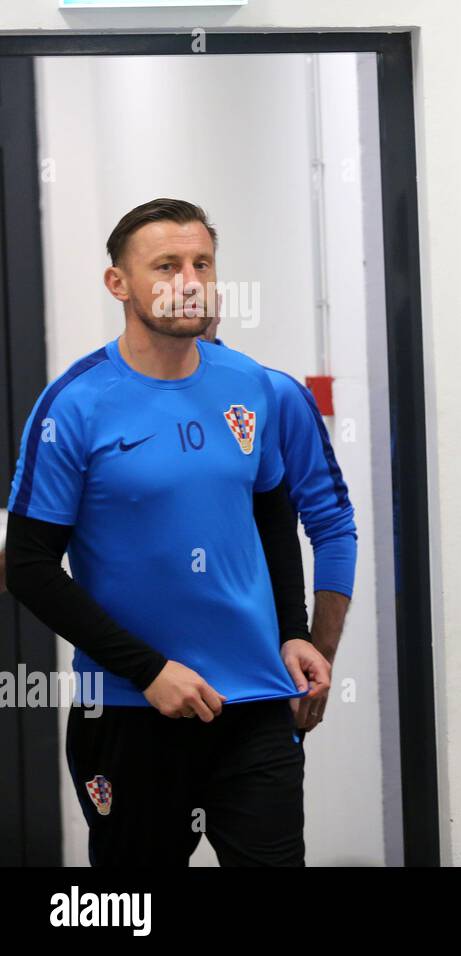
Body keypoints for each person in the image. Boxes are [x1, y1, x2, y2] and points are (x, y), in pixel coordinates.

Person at [5, 198, 330, 866]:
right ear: (118, 284)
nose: (189, 280)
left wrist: (294, 629)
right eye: (165, 265)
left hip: (255, 702)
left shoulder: (250, 385)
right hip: (129, 711)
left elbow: (272, 513)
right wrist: (148, 670)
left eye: (201, 263)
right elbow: (29, 564)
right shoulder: (74, 404)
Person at [199, 317, 357, 739]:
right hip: (144, 688)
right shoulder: (105, 399)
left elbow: (333, 525)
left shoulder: (274, 395)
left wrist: (316, 658)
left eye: (202, 268)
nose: (188, 287)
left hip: (261, 682)